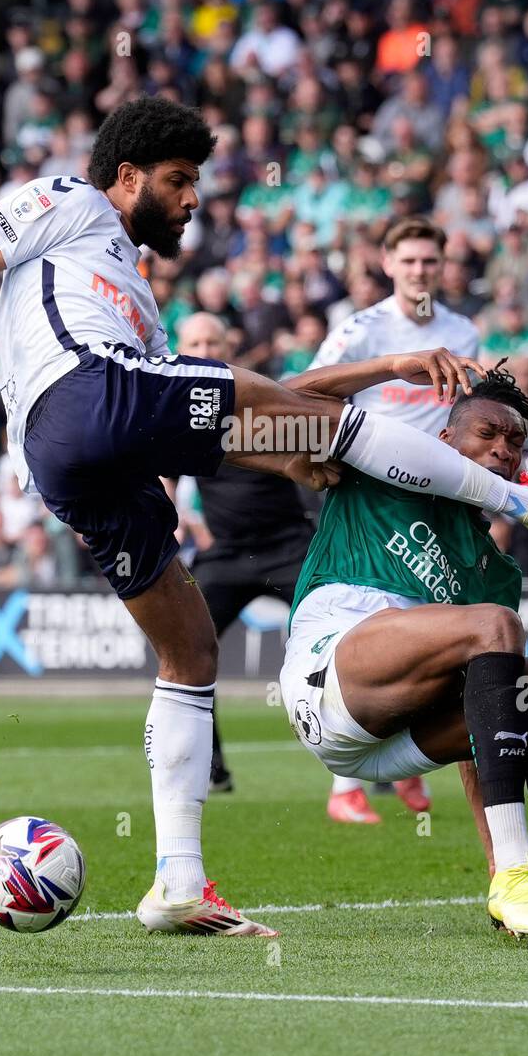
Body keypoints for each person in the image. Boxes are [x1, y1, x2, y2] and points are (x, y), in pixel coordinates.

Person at [0, 96, 528, 939]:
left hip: (82, 461)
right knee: (279, 403)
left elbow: (210, 431)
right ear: (126, 178)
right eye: (178, 181)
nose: (192, 200)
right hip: (85, 394)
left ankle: (178, 882)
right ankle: (527, 502)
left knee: (190, 645)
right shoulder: (71, 198)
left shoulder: (130, 291)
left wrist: (288, 454)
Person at [279, 362, 528, 945]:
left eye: (515, 442)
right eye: (488, 433)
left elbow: (486, 729)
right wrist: (395, 366)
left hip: (400, 743)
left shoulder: (495, 571)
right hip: (330, 679)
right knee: (494, 626)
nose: (504, 449)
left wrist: (495, 864)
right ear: (445, 439)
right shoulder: (385, 468)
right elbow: (284, 401)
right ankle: (518, 872)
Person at [307, 214, 480, 824]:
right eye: (408, 261)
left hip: (443, 503)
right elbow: (306, 394)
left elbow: (470, 417)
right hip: (373, 502)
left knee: (447, 638)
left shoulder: (464, 330)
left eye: (429, 261)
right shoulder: (361, 330)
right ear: (388, 264)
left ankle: (424, 768)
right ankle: (348, 784)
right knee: (380, 630)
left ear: (443, 264)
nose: (419, 271)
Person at [170, 311, 318, 793]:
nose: (207, 350)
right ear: (181, 347)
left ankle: (370, 770)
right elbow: (161, 471)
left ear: (228, 348)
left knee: (352, 632)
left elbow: (313, 454)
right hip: (228, 555)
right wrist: (167, 519)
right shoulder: (171, 404)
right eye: (197, 342)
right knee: (184, 646)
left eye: (214, 342)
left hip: (290, 548)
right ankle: (210, 769)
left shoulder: (260, 395)